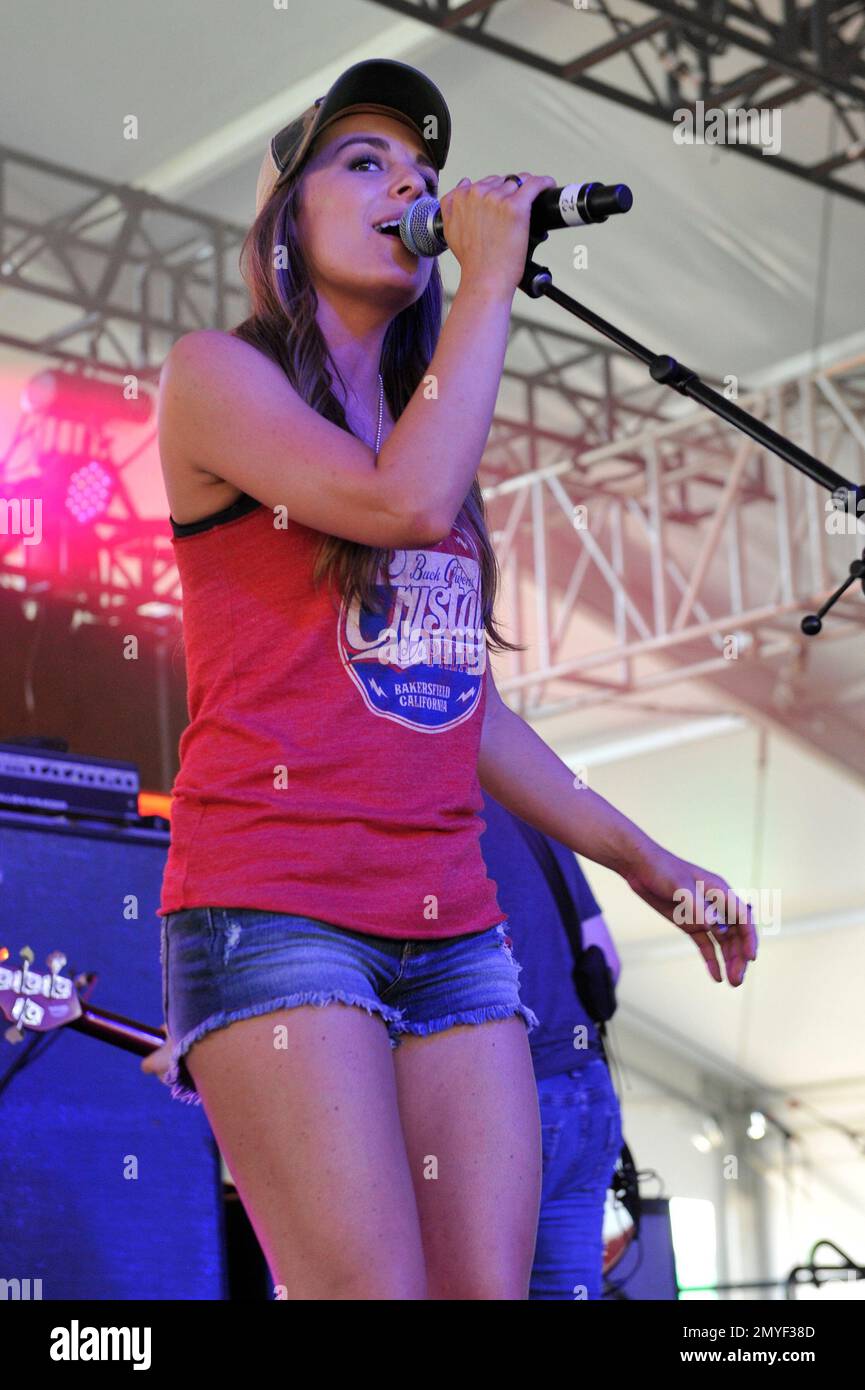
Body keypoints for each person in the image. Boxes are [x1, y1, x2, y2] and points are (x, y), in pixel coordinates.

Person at [150, 57, 757, 1301]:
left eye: (420, 172)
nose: (409, 185)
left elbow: (456, 703)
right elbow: (398, 500)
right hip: (274, 909)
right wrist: (489, 284)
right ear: (283, 226)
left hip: (452, 925)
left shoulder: (432, 430)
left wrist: (654, 865)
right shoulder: (216, 375)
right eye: (362, 163)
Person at [477, 789, 623, 1301]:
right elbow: (605, 955)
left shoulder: (433, 803)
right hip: (589, 1095)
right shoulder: (527, 802)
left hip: (504, 1097)